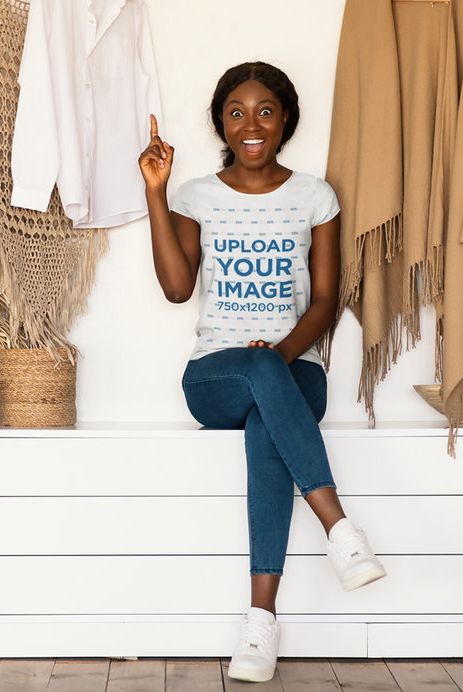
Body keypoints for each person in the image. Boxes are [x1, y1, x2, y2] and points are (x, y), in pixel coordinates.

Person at [138, 61, 385, 683]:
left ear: (285, 123)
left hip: (295, 373)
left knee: (264, 429)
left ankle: (260, 623)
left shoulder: (315, 196)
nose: (251, 124)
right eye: (237, 112)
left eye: (265, 111)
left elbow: (325, 301)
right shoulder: (196, 194)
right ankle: (339, 528)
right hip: (214, 378)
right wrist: (155, 194)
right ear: (222, 122)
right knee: (255, 382)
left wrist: (272, 358)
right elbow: (175, 288)